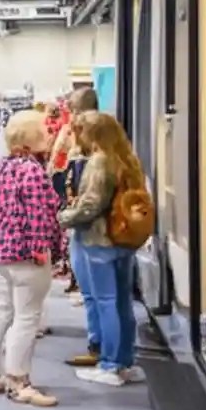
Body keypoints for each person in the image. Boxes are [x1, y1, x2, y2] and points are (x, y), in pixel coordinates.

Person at [0, 110, 62, 407]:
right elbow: (40, 216)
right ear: (32, 137)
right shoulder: (33, 172)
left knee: (1, 310)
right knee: (27, 317)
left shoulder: (2, 166)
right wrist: (45, 249)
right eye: (45, 130)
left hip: (0, 253)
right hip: (26, 255)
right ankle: (18, 381)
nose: (50, 134)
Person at [58, 111, 145, 386]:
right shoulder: (127, 160)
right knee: (122, 303)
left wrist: (62, 218)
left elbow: (91, 205)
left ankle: (109, 364)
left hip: (99, 241)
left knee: (105, 302)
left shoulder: (99, 162)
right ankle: (125, 361)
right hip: (124, 241)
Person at [51, 89, 101, 364]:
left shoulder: (82, 133)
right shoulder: (99, 133)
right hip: (87, 217)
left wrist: (63, 217)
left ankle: (101, 350)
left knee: (98, 295)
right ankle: (107, 351)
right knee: (101, 296)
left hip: (87, 222)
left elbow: (87, 196)